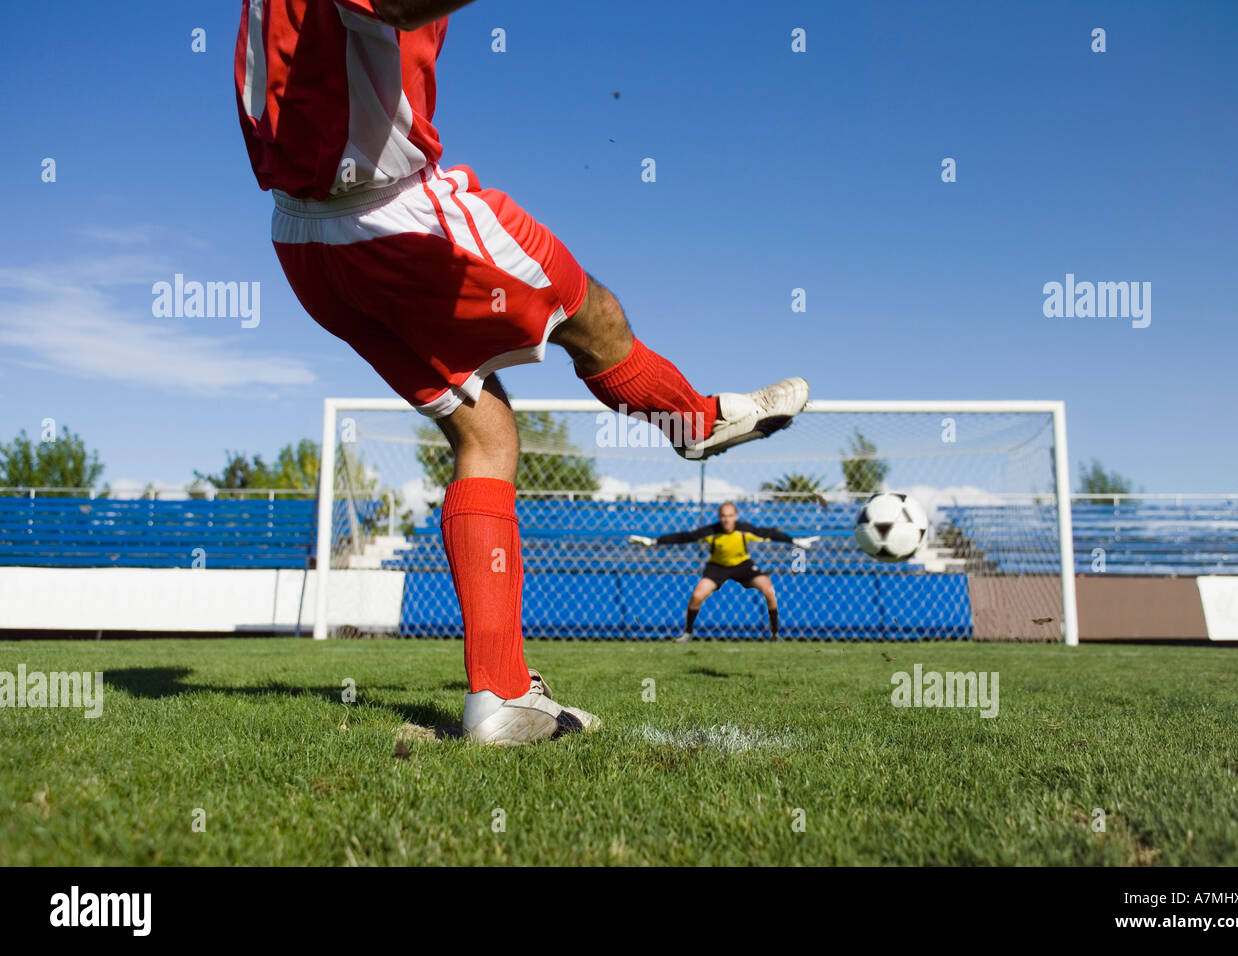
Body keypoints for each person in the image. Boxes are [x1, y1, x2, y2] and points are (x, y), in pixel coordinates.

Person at [234, 0, 809, 745]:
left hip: (304, 242)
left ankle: (499, 695)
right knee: (590, 312)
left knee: (485, 432)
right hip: (392, 215)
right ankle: (692, 421)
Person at [630, 502, 818, 641]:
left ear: (735, 516)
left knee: (769, 590)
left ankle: (775, 634)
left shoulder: (745, 530)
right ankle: (687, 633)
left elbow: (770, 532)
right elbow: (685, 537)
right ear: (720, 517)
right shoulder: (711, 531)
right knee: (697, 595)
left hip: (743, 565)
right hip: (717, 567)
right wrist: (654, 542)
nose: (727, 519)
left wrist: (795, 541)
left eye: (730, 515)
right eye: (723, 516)